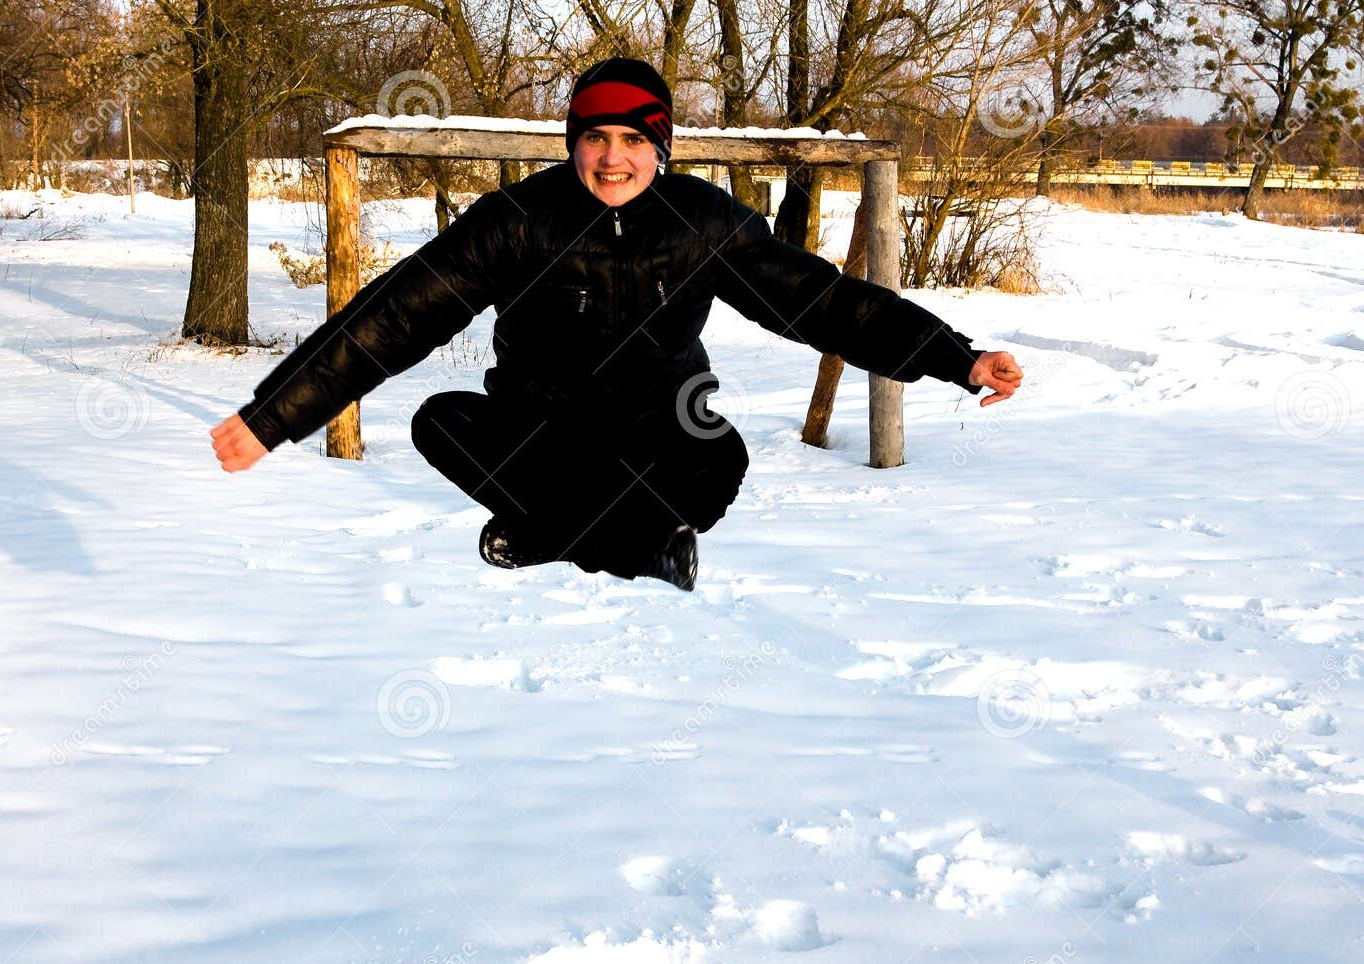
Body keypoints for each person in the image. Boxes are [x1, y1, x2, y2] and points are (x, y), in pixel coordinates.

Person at [212, 56, 1024, 590]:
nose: (611, 158)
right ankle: (636, 551)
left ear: (658, 147)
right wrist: (272, 415)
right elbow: (393, 316)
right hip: (543, 442)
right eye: (594, 137)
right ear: (572, 143)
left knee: (723, 452)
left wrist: (957, 358)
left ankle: (549, 538)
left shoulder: (702, 221)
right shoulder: (515, 220)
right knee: (440, 421)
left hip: (657, 438)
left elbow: (823, 301)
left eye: (632, 139)